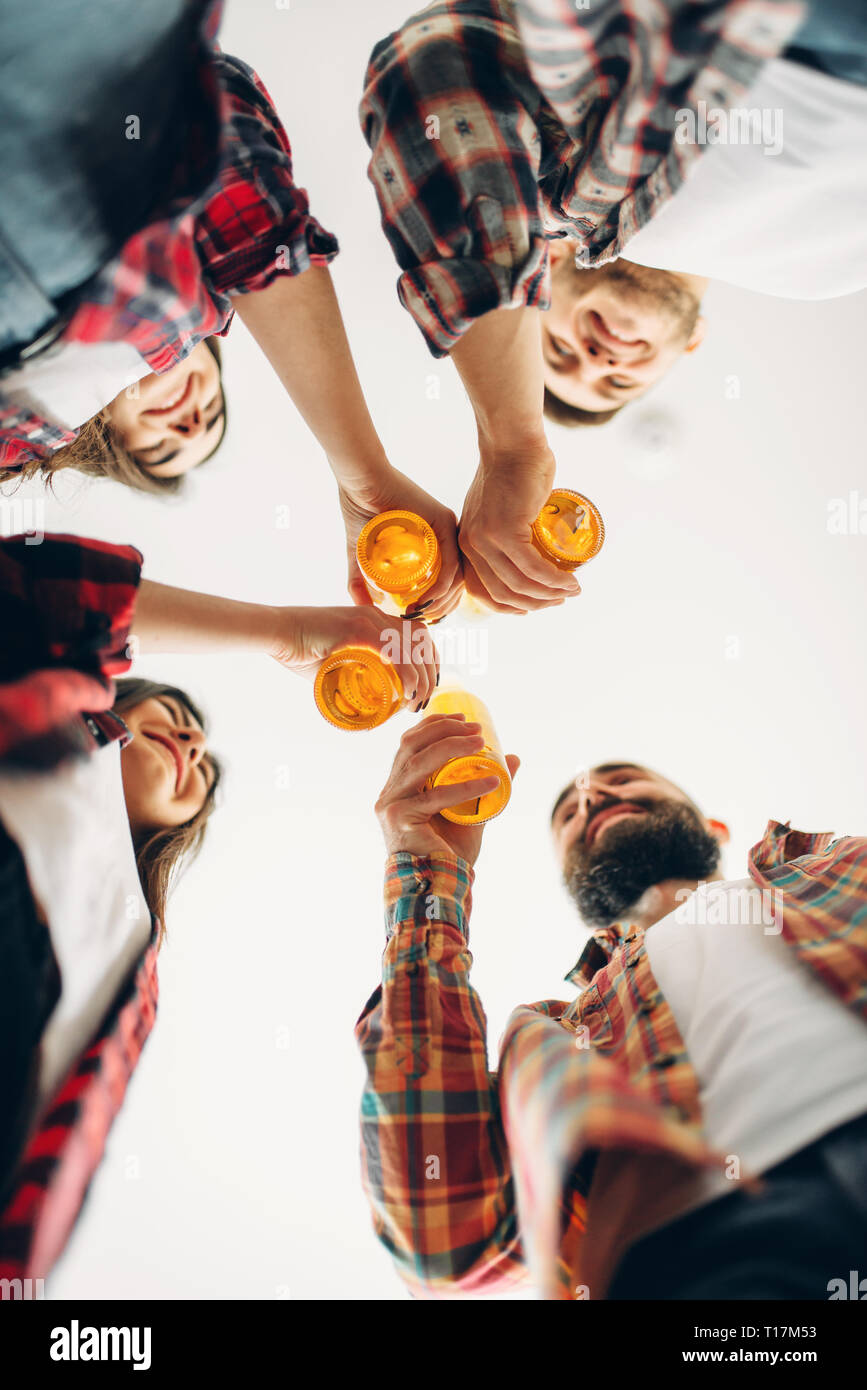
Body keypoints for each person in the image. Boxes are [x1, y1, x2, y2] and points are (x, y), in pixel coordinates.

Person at [0, 531, 438, 1285]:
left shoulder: (135, 955)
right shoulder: (61, 718)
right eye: (170, 715)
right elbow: (40, 589)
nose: (193, 742)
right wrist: (287, 630)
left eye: (200, 768)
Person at [359, 0, 867, 614]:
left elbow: (429, 67)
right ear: (691, 345)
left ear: (542, 276)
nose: (596, 360)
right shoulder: (826, 276)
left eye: (560, 351)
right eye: (616, 380)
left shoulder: (569, 193)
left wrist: (513, 443)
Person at [357, 721, 867, 1298]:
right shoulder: (556, 1039)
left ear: (713, 828)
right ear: (576, 887)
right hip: (706, 1262)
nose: (590, 796)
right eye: (569, 817)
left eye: (622, 780)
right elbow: (439, 1231)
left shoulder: (839, 864)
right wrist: (425, 874)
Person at [0, 0, 464, 616]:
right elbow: (219, 125)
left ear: (104, 447)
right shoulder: (199, 295)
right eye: (212, 411)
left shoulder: (16, 444)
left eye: (163, 448)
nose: (190, 424)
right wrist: (366, 475)